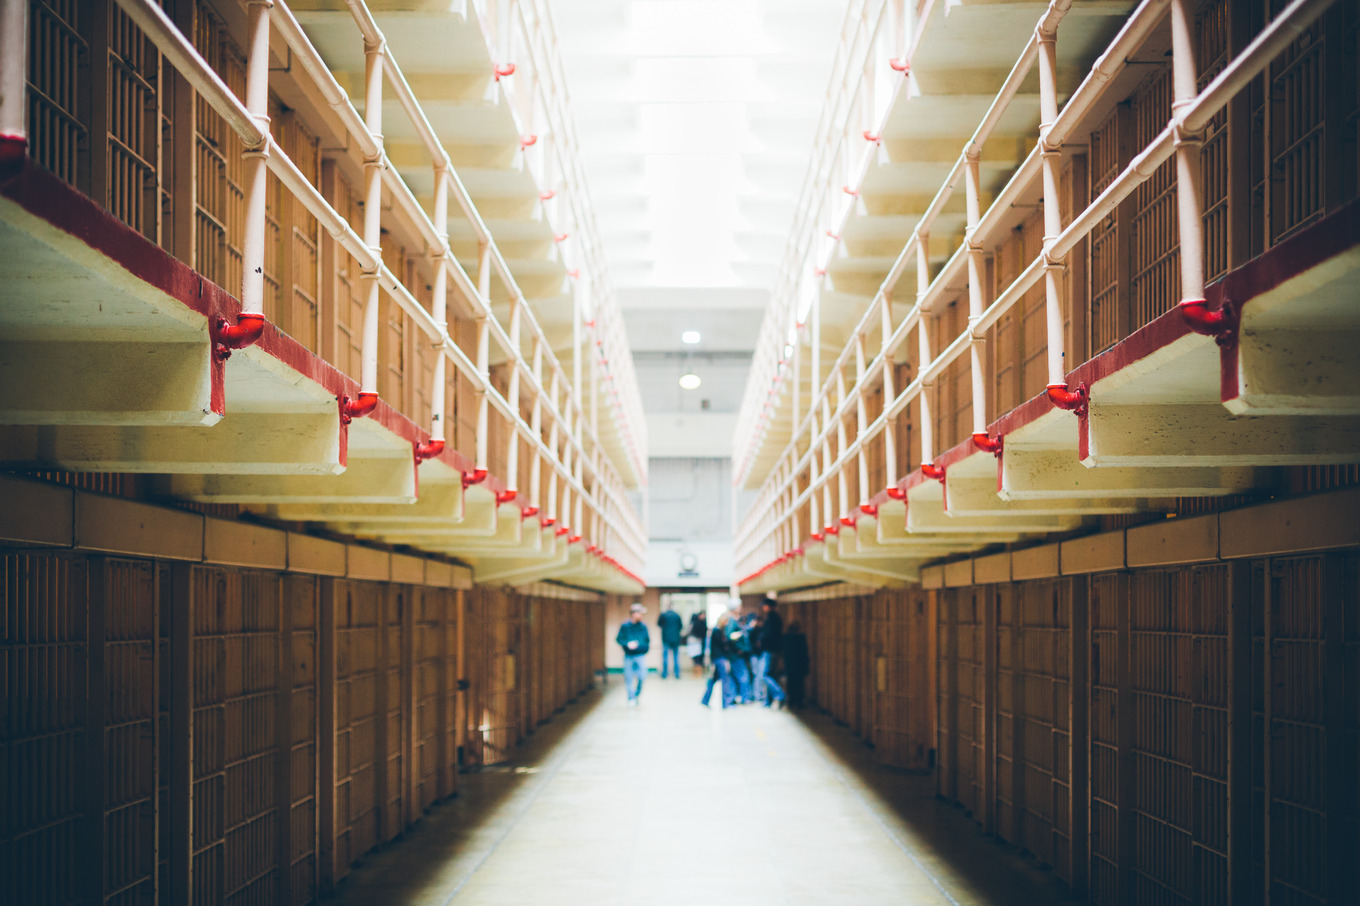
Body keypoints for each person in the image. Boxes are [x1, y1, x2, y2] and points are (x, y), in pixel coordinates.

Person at [700, 610, 737, 708]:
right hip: (720, 659)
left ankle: (705, 700)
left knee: (713, 680)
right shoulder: (717, 631)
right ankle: (726, 703)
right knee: (725, 680)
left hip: (717, 659)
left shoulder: (718, 631)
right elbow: (721, 646)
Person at [616, 603, 650, 706]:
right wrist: (627, 644)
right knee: (629, 677)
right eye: (639, 613)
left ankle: (636, 694)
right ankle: (631, 697)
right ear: (634, 614)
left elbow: (647, 640)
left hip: (640, 655)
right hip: (629, 656)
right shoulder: (625, 626)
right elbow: (619, 639)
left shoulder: (643, 626)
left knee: (642, 676)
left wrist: (639, 645)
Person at [753, 599, 784, 704]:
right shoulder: (774, 617)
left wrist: (761, 640)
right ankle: (769, 700)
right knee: (770, 674)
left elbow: (769, 634)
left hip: (769, 649)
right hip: (773, 649)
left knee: (764, 674)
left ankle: (779, 694)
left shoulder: (772, 618)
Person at [782, 620, 810, 709]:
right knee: (799, 684)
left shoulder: (786, 638)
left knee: (791, 683)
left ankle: (791, 701)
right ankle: (799, 702)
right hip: (800, 664)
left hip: (790, 664)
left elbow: (785, 652)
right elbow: (804, 653)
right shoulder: (801, 638)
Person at [657, 603, 683, 679]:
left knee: (665, 657)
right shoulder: (677, 616)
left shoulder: (663, 615)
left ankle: (665, 674)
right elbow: (680, 626)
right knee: (676, 657)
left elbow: (659, 624)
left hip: (666, 638)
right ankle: (677, 674)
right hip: (675, 639)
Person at [687, 610, 708, 676]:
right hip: (697, 643)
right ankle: (697, 672)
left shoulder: (702, 623)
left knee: (699, 658)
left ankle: (699, 672)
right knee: (697, 658)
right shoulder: (697, 623)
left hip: (700, 643)